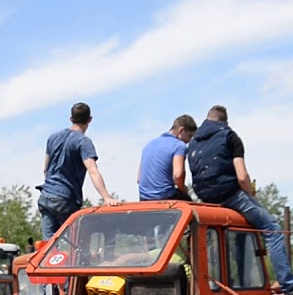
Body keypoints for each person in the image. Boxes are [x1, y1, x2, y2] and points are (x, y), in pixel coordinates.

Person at [185, 105, 293, 295]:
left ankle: (239, 284)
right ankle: (288, 284)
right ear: (225, 121)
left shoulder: (193, 143)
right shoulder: (230, 136)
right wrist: (251, 196)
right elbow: (242, 176)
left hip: (205, 197)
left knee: (237, 237)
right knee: (272, 231)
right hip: (229, 193)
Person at [37, 102, 121, 239]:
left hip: (45, 196)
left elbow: (45, 168)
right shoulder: (83, 142)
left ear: (71, 119)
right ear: (90, 120)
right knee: (78, 242)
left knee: (49, 247)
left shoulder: (53, 137)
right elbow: (93, 170)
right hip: (65, 199)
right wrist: (106, 197)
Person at [137, 114, 197, 201]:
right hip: (165, 197)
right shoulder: (178, 146)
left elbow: (139, 179)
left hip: (144, 198)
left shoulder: (149, 145)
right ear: (181, 130)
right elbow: (178, 175)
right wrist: (184, 190)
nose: (189, 141)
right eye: (189, 136)